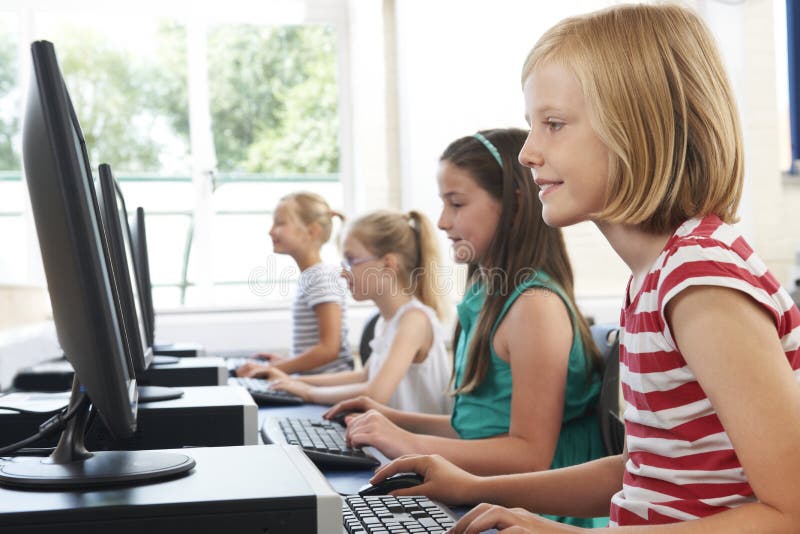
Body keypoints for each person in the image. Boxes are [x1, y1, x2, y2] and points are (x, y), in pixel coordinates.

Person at [372, 5, 800, 532]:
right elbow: (643, 472)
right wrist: (474, 487)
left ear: (640, 128)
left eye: (553, 125)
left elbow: (790, 513)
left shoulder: (700, 280)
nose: (527, 153)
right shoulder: (654, 278)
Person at [327, 128, 607, 527]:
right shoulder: (486, 296)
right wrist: (393, 418)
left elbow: (530, 454)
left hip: (534, 508)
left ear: (513, 206)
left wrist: (410, 443)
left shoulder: (534, 307)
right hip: (491, 489)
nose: (442, 221)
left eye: (456, 203)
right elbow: (478, 428)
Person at [263, 209, 452, 414]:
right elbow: (364, 376)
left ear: (388, 264)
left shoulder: (414, 320)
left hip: (417, 444)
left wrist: (309, 393)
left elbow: (375, 392)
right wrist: (293, 380)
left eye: (351, 260)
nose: (343, 273)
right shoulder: (387, 320)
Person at [236, 191, 353, 376]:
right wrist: (286, 362)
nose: (271, 230)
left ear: (312, 231)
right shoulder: (312, 276)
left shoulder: (320, 277)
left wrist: (271, 369)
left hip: (327, 388)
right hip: (312, 384)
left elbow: (329, 349)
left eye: (280, 223)